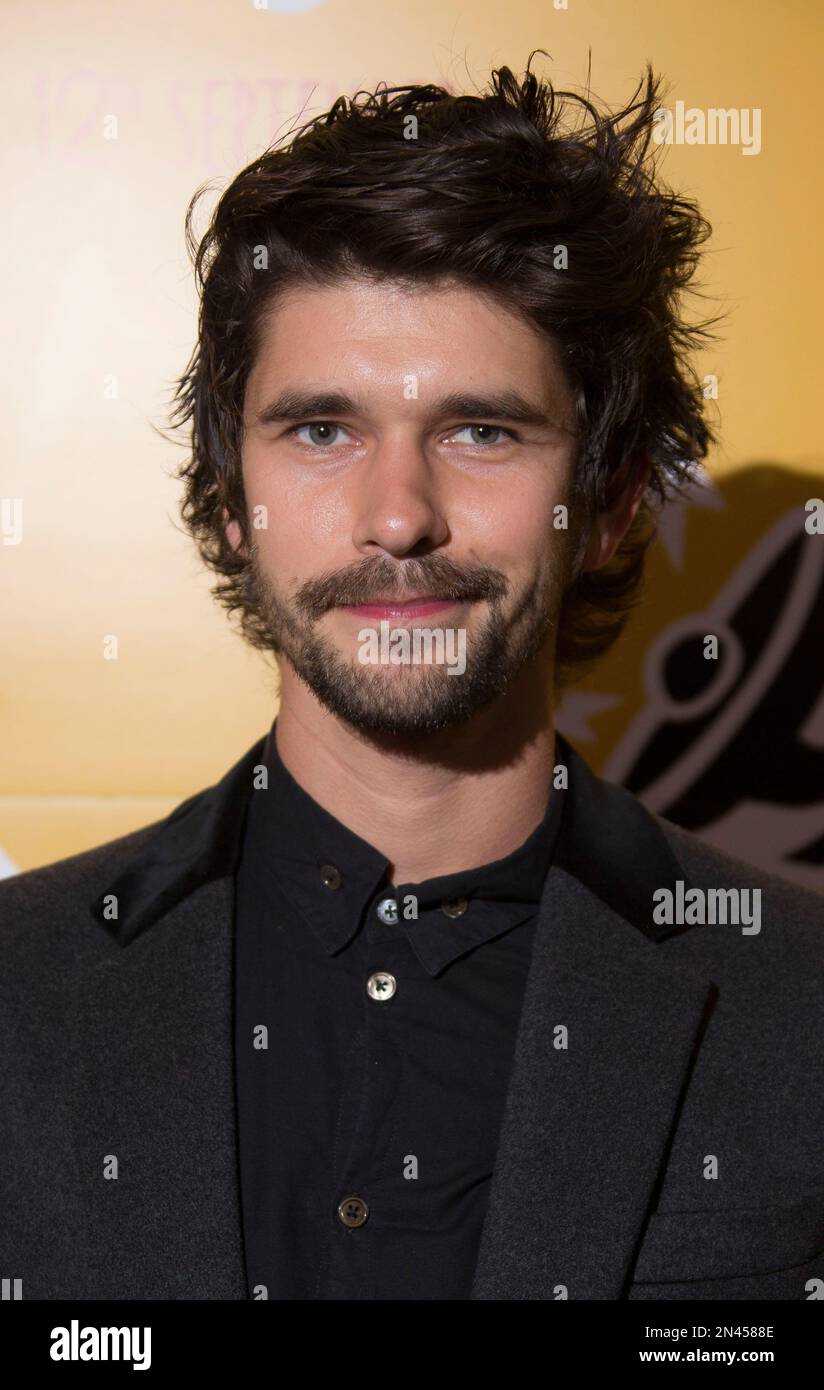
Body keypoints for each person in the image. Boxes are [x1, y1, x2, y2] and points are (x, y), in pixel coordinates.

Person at [2, 57, 822, 1302]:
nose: (397, 518)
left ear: (602, 503)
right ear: (233, 501)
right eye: (321, 431)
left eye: (479, 430)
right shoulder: (18, 990)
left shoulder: (798, 998)